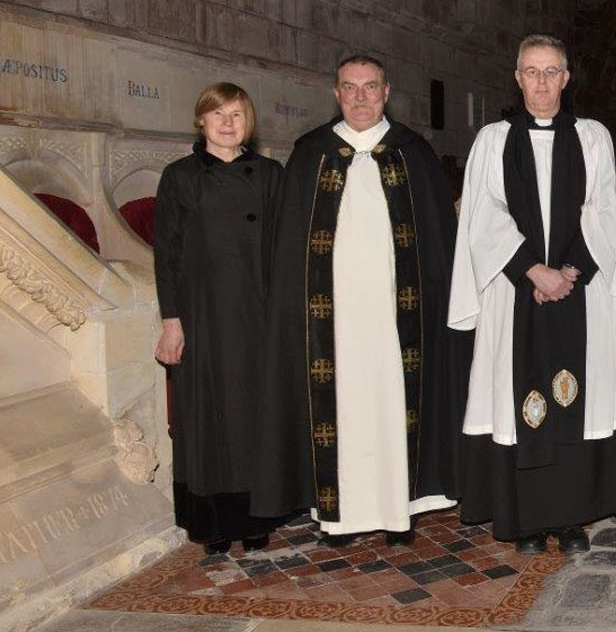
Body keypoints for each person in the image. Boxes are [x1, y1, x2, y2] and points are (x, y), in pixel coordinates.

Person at [251, 55, 469, 547]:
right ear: (336, 93)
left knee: (394, 400)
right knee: (342, 408)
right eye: (350, 88)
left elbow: (439, 247)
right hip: (333, 320)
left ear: (387, 92)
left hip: (399, 318)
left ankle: (399, 510)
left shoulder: (414, 152)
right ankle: (340, 515)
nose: (361, 97)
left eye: (370, 87)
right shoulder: (311, 154)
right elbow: (288, 248)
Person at [448, 35, 616, 554]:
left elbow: (603, 211)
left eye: (551, 72)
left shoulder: (593, 138)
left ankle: (570, 518)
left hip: (579, 289)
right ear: (516, 77)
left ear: (566, 78)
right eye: (531, 72)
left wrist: (568, 273)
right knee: (521, 399)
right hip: (516, 292)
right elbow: (482, 215)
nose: (541, 82)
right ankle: (525, 521)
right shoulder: (493, 139)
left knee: (573, 397)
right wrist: (533, 271)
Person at [153, 82, 285, 555]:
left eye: (237, 114)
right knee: (207, 421)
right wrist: (172, 321)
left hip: (257, 315)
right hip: (202, 317)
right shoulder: (180, 177)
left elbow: (285, 252)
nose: (228, 123)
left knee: (253, 418)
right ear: (201, 121)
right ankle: (211, 525)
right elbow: (165, 256)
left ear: (248, 122)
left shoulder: (271, 175)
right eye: (218, 114)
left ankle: (255, 522)